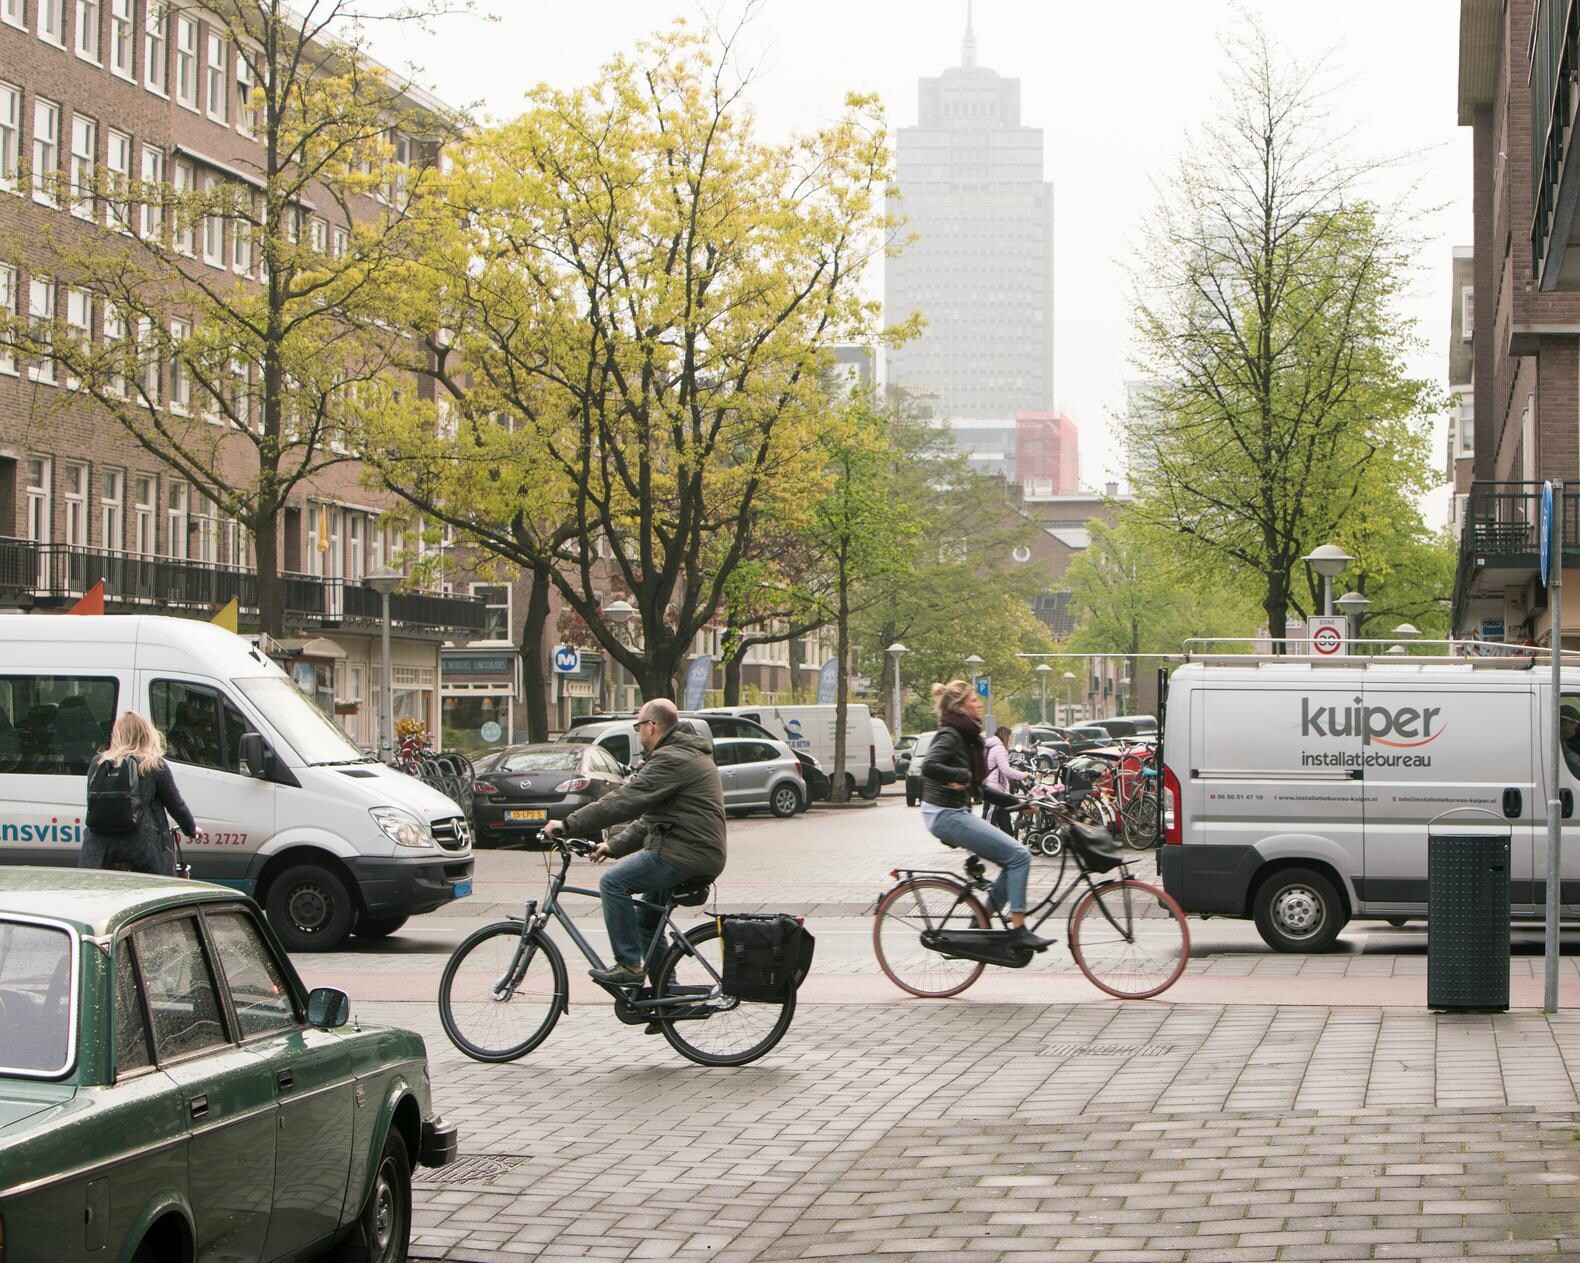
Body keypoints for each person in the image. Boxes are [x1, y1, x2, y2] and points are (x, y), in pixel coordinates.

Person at [542, 698, 726, 986]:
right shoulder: (681, 754)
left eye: (638, 726)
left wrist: (567, 825)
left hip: (683, 852)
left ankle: (628, 966)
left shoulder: (671, 758)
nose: (638, 733)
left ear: (651, 726)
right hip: (690, 849)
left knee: (613, 883)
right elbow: (651, 818)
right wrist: (614, 846)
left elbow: (625, 801)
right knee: (646, 923)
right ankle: (667, 995)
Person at [920, 681, 1050, 950]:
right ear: (960, 707)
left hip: (952, 812)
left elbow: (980, 790)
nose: (979, 704)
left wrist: (1018, 802)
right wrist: (961, 775)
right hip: (945, 814)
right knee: (1019, 856)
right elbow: (929, 765)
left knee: (1013, 859)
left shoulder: (966, 736)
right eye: (973, 700)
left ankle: (981, 922)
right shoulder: (951, 735)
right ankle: (1018, 931)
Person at [79, 710, 197, 877]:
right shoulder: (153, 764)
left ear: (117, 735)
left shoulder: (99, 763)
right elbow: (176, 805)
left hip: (99, 852)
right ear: (146, 734)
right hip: (143, 851)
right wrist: (191, 829)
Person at [983, 724, 1029, 835]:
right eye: (1010, 738)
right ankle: (980, 842)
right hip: (994, 790)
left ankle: (1010, 842)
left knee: (1005, 822)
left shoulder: (993, 747)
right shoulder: (999, 748)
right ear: (1005, 736)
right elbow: (1006, 769)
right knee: (987, 823)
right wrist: (1023, 775)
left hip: (997, 790)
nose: (1010, 741)